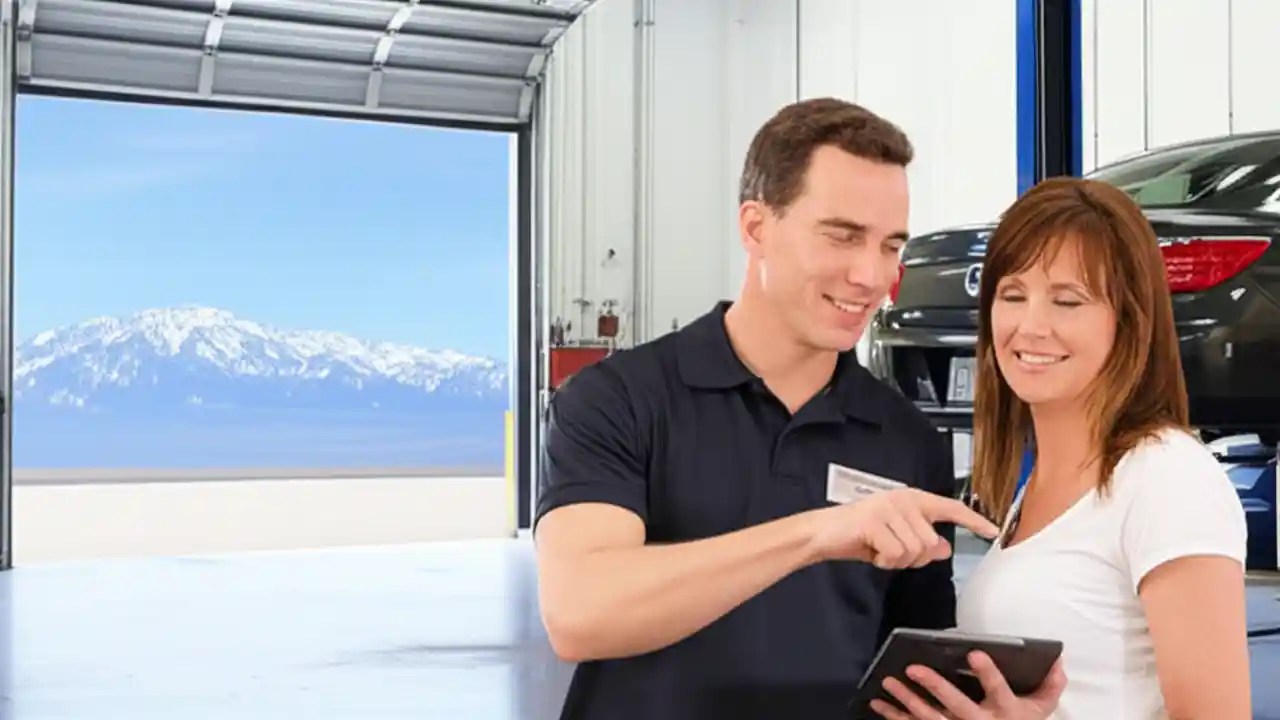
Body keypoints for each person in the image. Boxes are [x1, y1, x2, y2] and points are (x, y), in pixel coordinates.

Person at [533, 98, 1064, 720]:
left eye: (891, 245)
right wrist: (814, 533)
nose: (871, 275)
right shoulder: (616, 401)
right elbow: (580, 614)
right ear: (756, 227)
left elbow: (913, 667)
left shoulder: (905, 437)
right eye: (842, 236)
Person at [869, 177, 1253, 719]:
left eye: (1068, 301)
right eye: (1013, 295)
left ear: (1129, 322)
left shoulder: (1165, 477)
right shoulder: (1032, 488)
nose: (1031, 326)